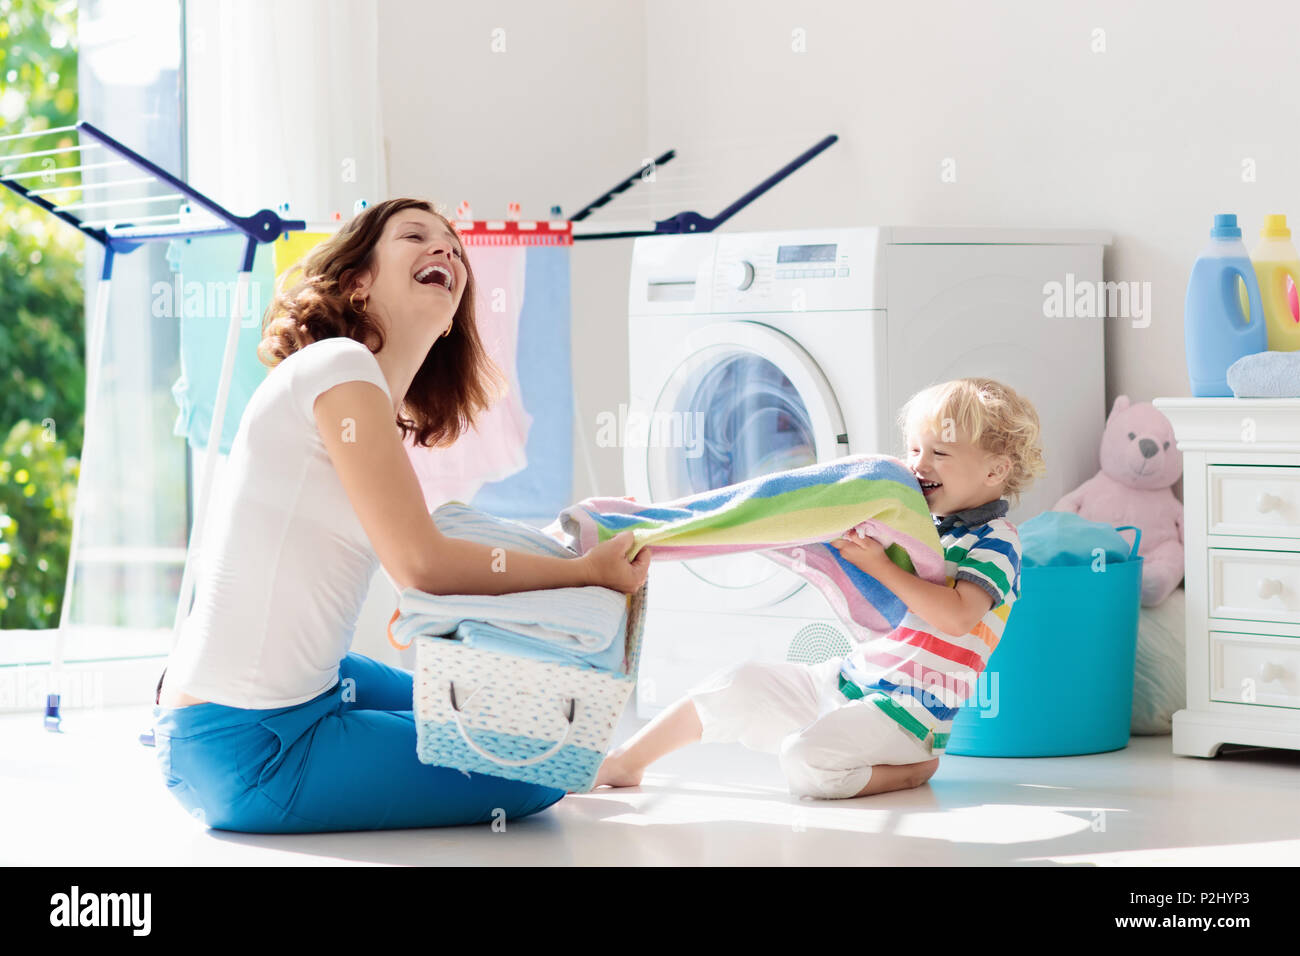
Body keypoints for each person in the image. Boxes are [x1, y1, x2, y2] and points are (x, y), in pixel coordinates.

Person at [152, 198, 649, 833]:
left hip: (235, 714)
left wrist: (564, 547)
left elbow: (420, 562)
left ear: (449, 323)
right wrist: (587, 572)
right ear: (356, 282)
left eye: (455, 249)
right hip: (254, 750)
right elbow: (422, 565)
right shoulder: (342, 367)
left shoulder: (352, 390)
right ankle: (586, 763)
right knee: (539, 765)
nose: (446, 250)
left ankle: (603, 759)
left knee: (502, 713)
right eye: (416, 236)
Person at [593, 378, 1042, 800]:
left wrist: (880, 566)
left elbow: (959, 616)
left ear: (994, 471)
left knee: (804, 762)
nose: (918, 465)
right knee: (738, 682)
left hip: (908, 714)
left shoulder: (997, 540)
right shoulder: (913, 523)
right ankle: (624, 763)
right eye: (914, 449)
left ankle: (912, 769)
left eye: (939, 452)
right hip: (848, 680)